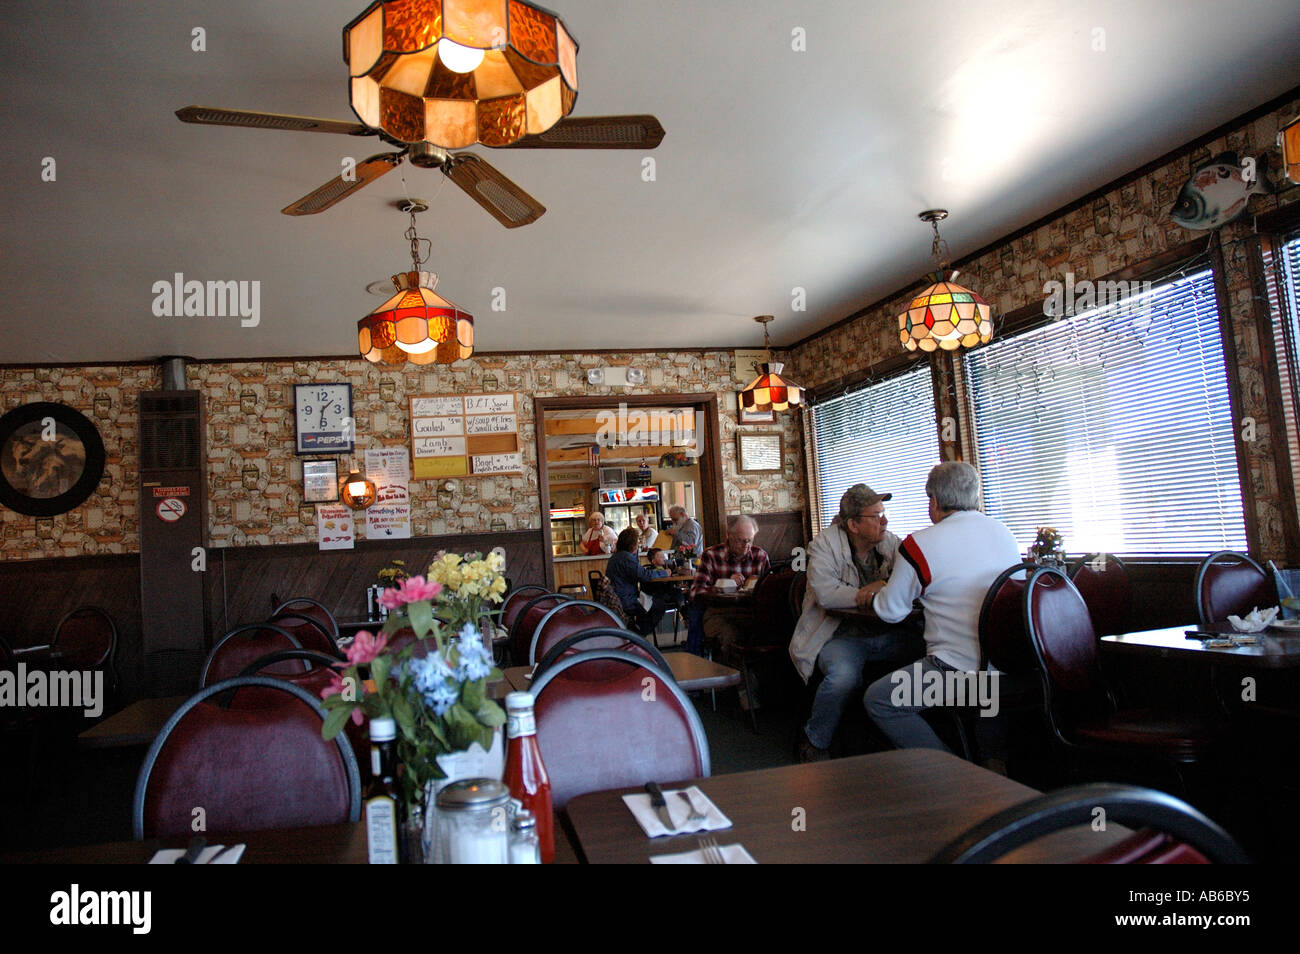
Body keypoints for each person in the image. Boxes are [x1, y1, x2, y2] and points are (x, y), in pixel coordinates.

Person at [862, 462, 1021, 752]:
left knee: (879, 700)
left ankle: (951, 773)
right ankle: (993, 763)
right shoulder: (1004, 532)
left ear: (934, 501)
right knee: (986, 690)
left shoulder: (918, 544)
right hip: (1011, 669)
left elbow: (890, 611)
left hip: (955, 675)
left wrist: (873, 595)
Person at [788, 485, 923, 762]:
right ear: (853, 524)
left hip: (887, 634)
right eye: (876, 516)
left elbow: (914, 575)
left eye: (883, 514)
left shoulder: (888, 542)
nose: (884, 521)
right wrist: (870, 594)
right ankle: (815, 739)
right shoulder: (824, 546)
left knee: (928, 655)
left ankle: (904, 737)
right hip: (837, 637)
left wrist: (881, 585)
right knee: (843, 678)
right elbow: (827, 595)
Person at [687, 514, 770, 654]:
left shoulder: (760, 556)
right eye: (740, 541)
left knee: (770, 634)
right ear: (729, 536)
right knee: (731, 637)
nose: (746, 546)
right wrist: (723, 585)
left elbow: (770, 592)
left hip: (750, 613)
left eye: (749, 541)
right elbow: (695, 592)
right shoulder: (711, 555)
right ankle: (731, 674)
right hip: (718, 614)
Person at [605, 527, 671, 636]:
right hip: (626, 600)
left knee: (652, 602)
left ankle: (635, 629)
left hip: (618, 597)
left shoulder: (616, 557)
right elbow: (644, 575)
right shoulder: (626, 558)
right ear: (633, 544)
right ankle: (638, 635)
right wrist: (665, 573)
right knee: (659, 605)